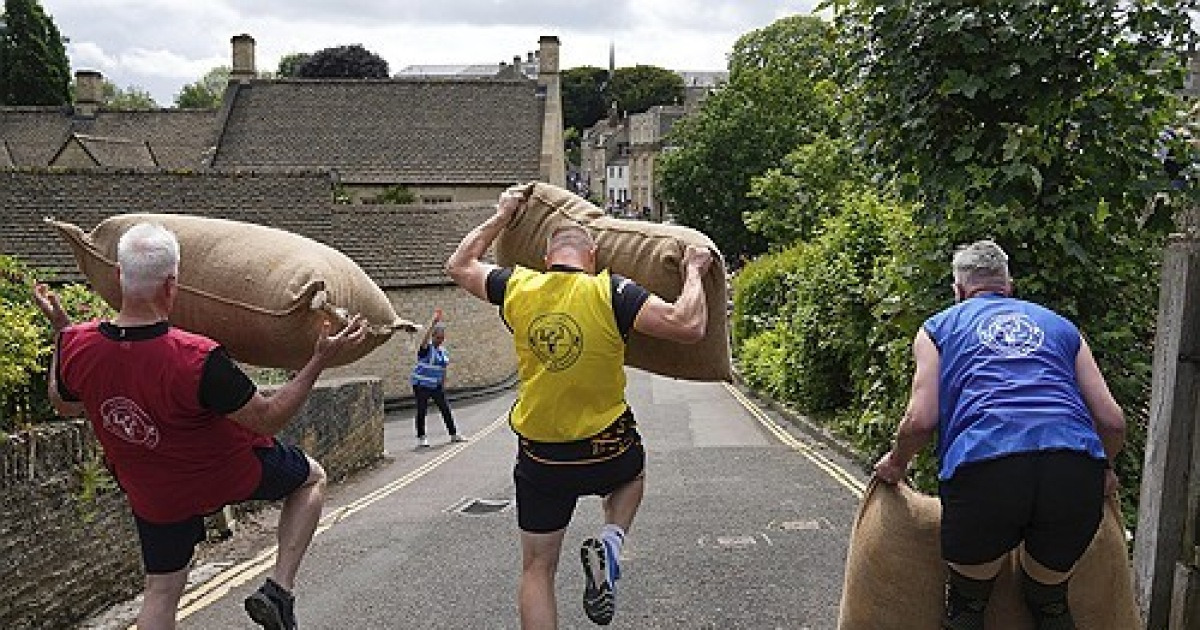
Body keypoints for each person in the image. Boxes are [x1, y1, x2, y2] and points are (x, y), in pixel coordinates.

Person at [32, 222, 368, 630]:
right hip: (228, 473)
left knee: (160, 593)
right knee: (310, 479)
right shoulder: (198, 357)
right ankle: (278, 591)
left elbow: (64, 405)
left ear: (119, 276)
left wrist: (62, 335)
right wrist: (318, 360)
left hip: (154, 492)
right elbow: (269, 417)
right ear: (172, 284)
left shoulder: (77, 345)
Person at [446, 185, 712, 629]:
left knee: (536, 569)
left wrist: (501, 216)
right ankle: (610, 541)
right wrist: (693, 271)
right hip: (608, 450)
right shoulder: (613, 292)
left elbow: (458, 266)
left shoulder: (519, 285)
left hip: (541, 457)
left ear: (548, 259)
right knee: (634, 477)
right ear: (592, 258)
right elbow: (689, 325)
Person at [873, 240, 1126, 630]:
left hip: (985, 466)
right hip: (1073, 469)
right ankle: (1048, 603)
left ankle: (969, 608)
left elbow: (921, 419)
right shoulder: (1061, 326)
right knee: (1049, 601)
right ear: (1010, 286)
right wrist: (1104, 471)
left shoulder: (938, 328)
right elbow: (1111, 421)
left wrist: (896, 463)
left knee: (969, 605)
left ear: (958, 291)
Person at [410, 308, 463, 447]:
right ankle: (421, 438)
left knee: (445, 409)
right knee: (421, 411)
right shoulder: (426, 349)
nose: (440, 340)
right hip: (421, 385)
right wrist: (432, 323)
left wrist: (443, 383)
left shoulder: (442, 351)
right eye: (438, 337)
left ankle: (453, 434)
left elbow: (443, 368)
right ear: (433, 336)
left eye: (442, 338)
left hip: (436, 386)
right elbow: (424, 340)